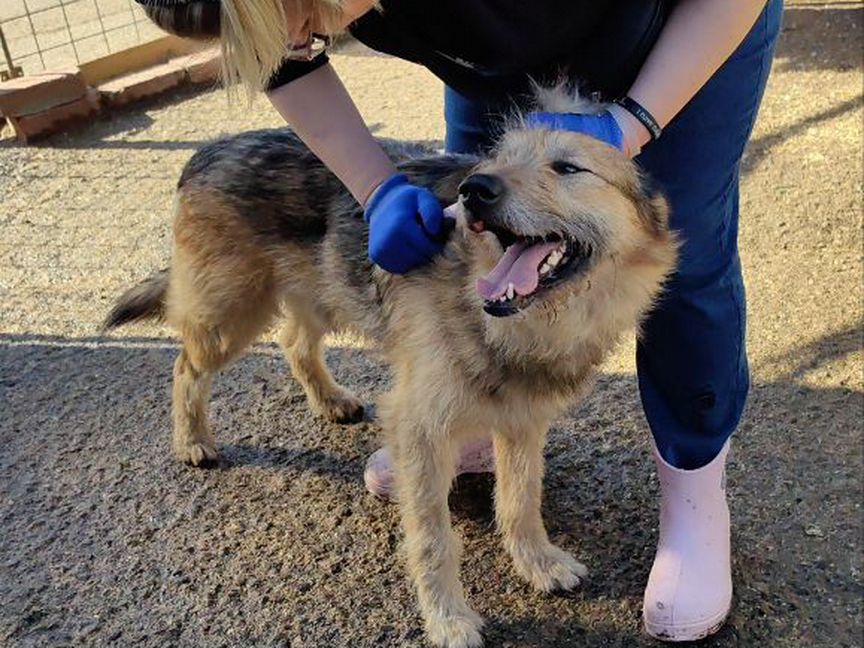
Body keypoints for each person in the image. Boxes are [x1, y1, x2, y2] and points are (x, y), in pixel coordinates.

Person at [137, 0, 783, 641]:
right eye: (272, 37)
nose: (301, 40)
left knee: (691, 255)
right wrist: (376, 188)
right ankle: (452, 443)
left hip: (698, 23)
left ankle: (695, 494)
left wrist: (638, 119)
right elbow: (289, 56)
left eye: (297, 15)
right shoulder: (293, 26)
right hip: (496, 56)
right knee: (455, 368)